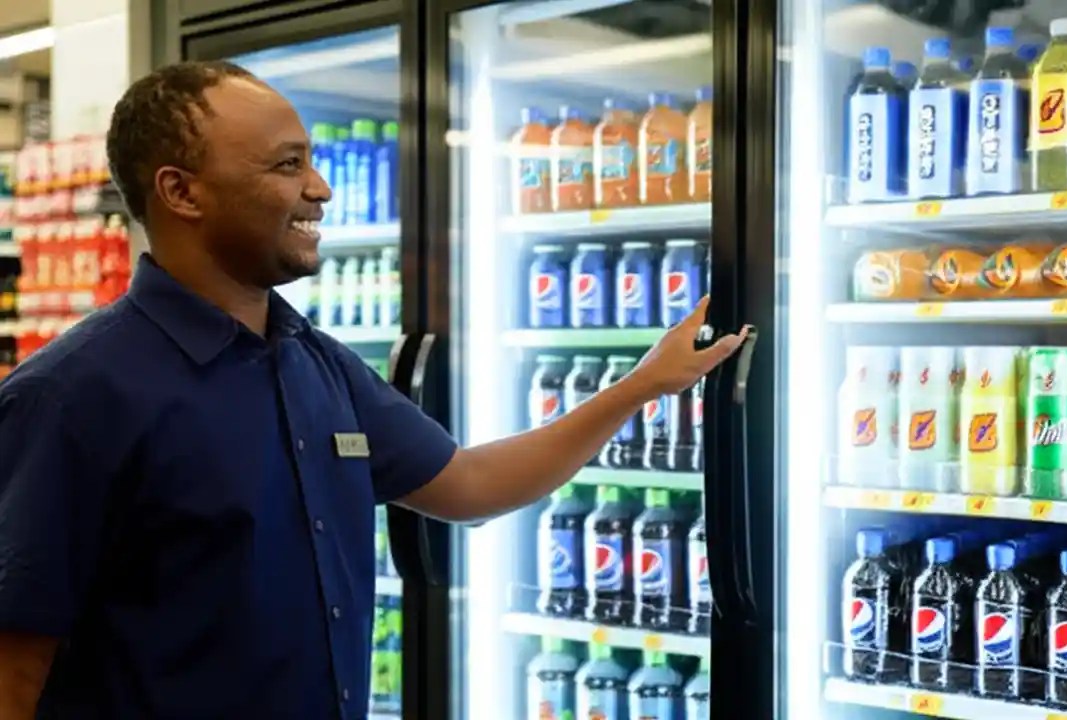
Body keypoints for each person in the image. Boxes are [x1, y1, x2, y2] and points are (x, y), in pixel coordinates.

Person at [0, 61, 746, 718]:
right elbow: (14, 669)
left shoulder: (314, 362)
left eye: (313, 162)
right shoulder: (70, 397)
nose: (319, 189)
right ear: (181, 192)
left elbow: (469, 483)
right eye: (286, 165)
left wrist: (644, 385)